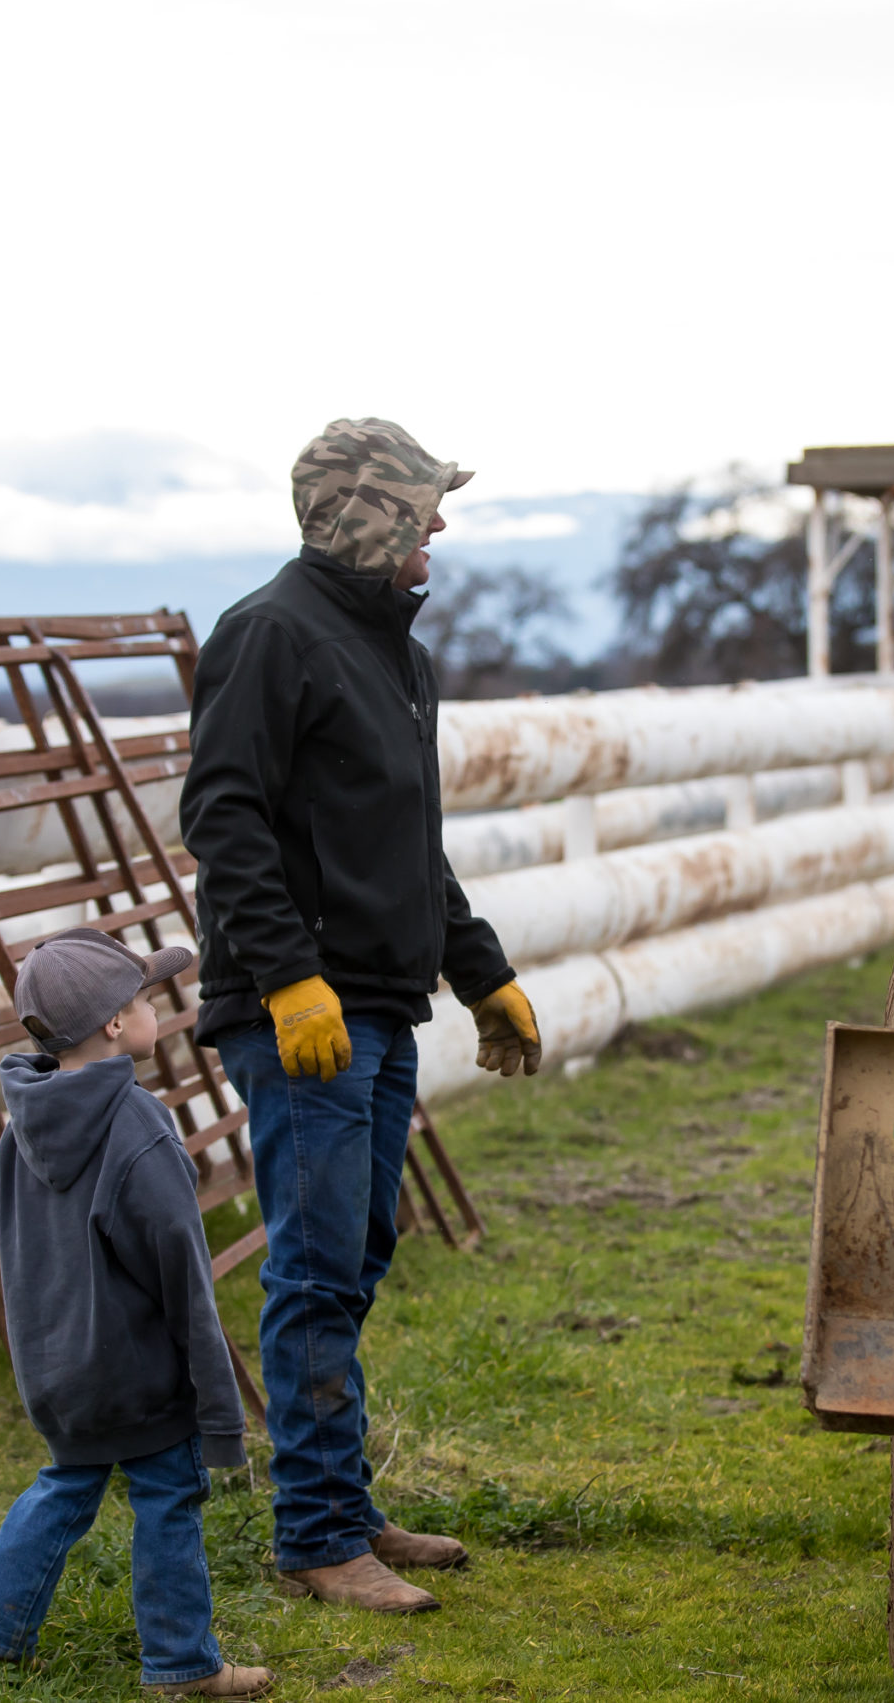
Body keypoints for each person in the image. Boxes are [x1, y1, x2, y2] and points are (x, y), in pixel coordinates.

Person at [180, 417, 542, 1616]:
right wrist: (286, 978)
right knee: (318, 1266)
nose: (438, 524)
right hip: (304, 1014)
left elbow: (404, 847)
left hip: (377, 1003)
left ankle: (341, 1501)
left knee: (357, 1254)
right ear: (368, 517)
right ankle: (318, 1537)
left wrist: (478, 972)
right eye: (421, 505)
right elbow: (224, 816)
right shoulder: (269, 636)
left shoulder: (392, 650)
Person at [0, 927, 268, 1698]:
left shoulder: (18, 1127)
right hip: (138, 1374)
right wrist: (217, 1405)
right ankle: (183, 1664)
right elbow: (181, 1271)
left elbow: (8, 1238)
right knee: (167, 1495)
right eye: (146, 997)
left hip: (57, 1369)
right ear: (117, 1026)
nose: (157, 1007)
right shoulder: (137, 1123)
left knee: (64, 1487)